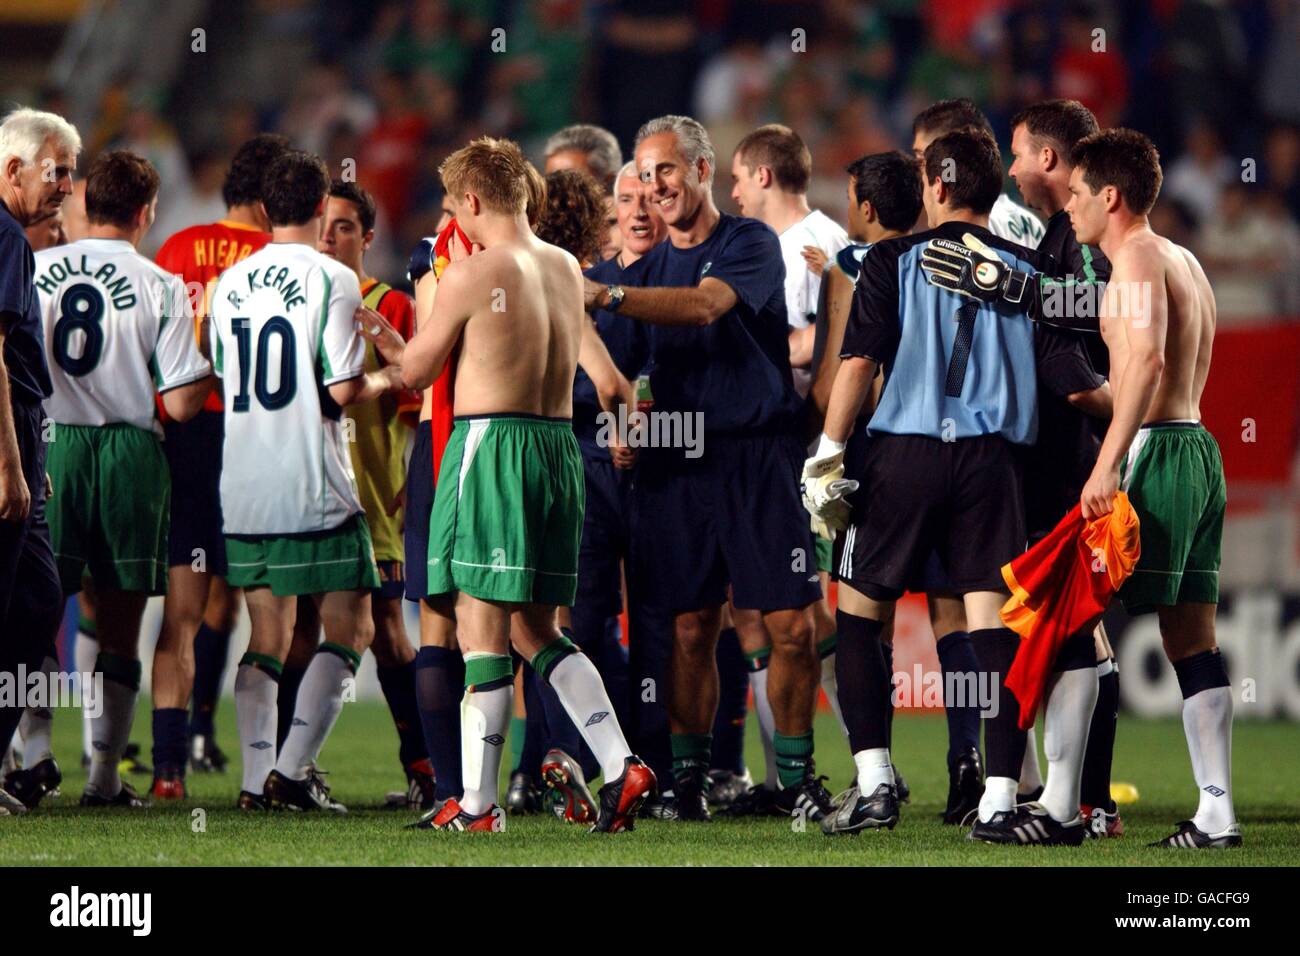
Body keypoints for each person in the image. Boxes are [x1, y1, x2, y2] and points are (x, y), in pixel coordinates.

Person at [807, 126, 1092, 839]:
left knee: (860, 611)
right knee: (992, 626)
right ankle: (999, 797)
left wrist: (828, 452)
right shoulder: (1030, 270)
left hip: (903, 450)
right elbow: (1080, 349)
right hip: (992, 461)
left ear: (934, 186)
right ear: (992, 189)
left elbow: (859, 366)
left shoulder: (890, 260)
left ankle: (874, 782)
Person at [366, 137, 652, 833]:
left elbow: (417, 373)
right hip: (558, 450)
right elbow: (615, 386)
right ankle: (622, 766)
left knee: (480, 629)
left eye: (451, 205)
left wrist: (387, 341)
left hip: (492, 445)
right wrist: (623, 438)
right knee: (539, 628)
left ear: (470, 202)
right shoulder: (564, 267)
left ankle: (478, 806)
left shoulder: (471, 273)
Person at [586, 115, 831, 823]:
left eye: (666, 169)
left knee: (790, 626)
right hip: (676, 466)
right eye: (643, 172)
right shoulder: (646, 267)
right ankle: (686, 781)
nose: (653, 186)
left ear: (700, 169)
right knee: (690, 628)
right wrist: (621, 425)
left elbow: (703, 309)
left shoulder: (746, 242)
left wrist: (606, 294)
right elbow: (619, 373)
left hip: (756, 458)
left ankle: (794, 777)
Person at [209, 150, 399, 812]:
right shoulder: (333, 280)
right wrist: (390, 377)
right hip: (312, 483)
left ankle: (251, 781)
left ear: (262, 210)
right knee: (353, 627)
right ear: (322, 210)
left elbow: (223, 375)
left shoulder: (228, 285)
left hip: (244, 485)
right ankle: (289, 772)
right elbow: (344, 388)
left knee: (266, 635)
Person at [1071, 129, 1237, 849]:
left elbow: (1145, 359)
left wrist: (1108, 462)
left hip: (1156, 456)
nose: (1071, 206)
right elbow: (1168, 373)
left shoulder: (1134, 255)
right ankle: (1216, 810)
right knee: (1191, 640)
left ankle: (1064, 802)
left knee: (1068, 614)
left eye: (1079, 193)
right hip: (1196, 446)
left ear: (1110, 196)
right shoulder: (1183, 258)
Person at [34, 150, 213, 807]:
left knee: (36, 615)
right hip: (128, 453)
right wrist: (213, 354)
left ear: (84, 203)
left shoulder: (37, 268)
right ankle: (104, 778)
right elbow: (186, 401)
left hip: (47, 445)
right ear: (145, 213)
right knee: (120, 620)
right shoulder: (160, 282)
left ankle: (31, 762)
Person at [909, 97, 1047, 801]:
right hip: (1021, 441)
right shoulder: (1031, 227)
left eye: (924, 156)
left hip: (958, 441)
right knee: (1010, 609)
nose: (919, 170)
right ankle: (1027, 775)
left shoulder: (939, 236)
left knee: (967, 607)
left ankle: (983, 761)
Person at [154, 133, 290, 781]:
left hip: (182, 435)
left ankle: (170, 760)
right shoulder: (276, 256)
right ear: (270, 201)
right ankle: (271, 764)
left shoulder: (177, 246)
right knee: (265, 599)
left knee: (189, 601)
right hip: (252, 435)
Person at [1005, 98, 1122, 839]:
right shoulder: (1058, 234)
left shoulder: (1080, 242)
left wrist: (1019, 292)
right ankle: (1081, 795)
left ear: (1049, 159)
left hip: (1078, 463)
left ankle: (1085, 799)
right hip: (1071, 461)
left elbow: (1098, 317)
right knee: (1072, 626)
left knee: (1078, 626)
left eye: (1018, 152)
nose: (1012, 167)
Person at [724, 123, 847, 808]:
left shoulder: (823, 246)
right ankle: (779, 779)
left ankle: (869, 766)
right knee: (761, 614)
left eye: (739, 177)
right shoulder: (755, 246)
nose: (734, 190)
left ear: (764, 175)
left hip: (805, 457)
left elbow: (830, 344)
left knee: (809, 615)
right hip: (763, 451)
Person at [313, 179, 431, 808]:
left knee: (388, 628)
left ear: (368, 236)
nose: (330, 237)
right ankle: (292, 767)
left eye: (344, 227)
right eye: (323, 225)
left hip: (374, 492)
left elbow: (420, 405)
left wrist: (411, 485)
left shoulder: (393, 304)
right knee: (299, 624)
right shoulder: (300, 296)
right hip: (305, 484)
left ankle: (422, 766)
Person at [0, 107, 79, 816]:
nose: (66, 187)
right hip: (7, 441)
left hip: (25, 433)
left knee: (36, 603)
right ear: (14, 168)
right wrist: (9, 461)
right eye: (57, 172)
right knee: (14, 610)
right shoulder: (5, 237)